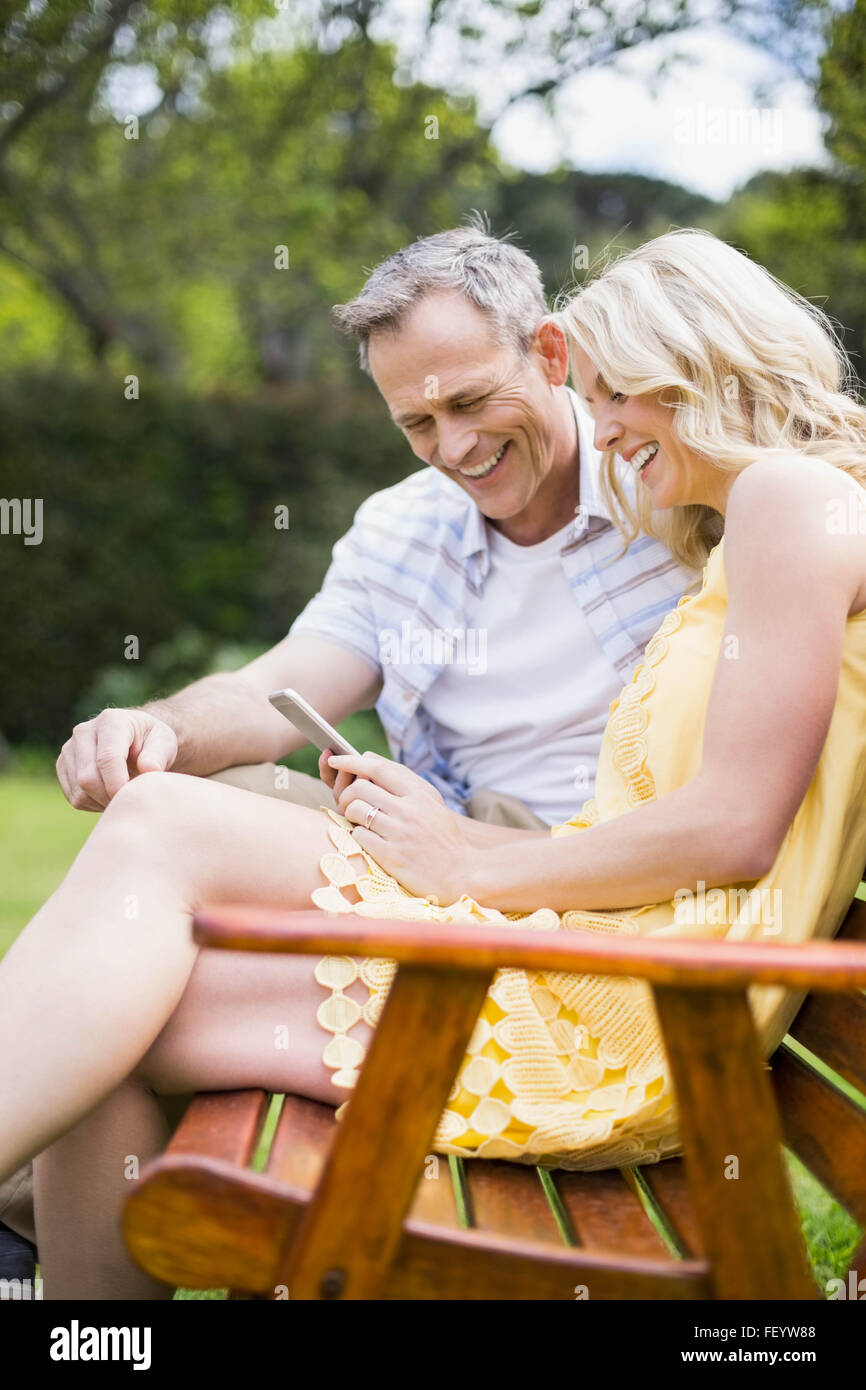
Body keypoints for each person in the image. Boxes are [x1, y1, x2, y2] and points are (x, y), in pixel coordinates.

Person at [3, 227, 866, 1303]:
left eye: (612, 400)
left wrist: (466, 863)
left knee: (156, 851)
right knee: (128, 987)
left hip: (633, 1001)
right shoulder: (739, 514)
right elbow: (286, 679)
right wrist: (162, 724)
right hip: (601, 960)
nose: (600, 433)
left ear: (682, 367)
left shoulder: (765, 504)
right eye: (415, 421)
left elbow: (734, 826)